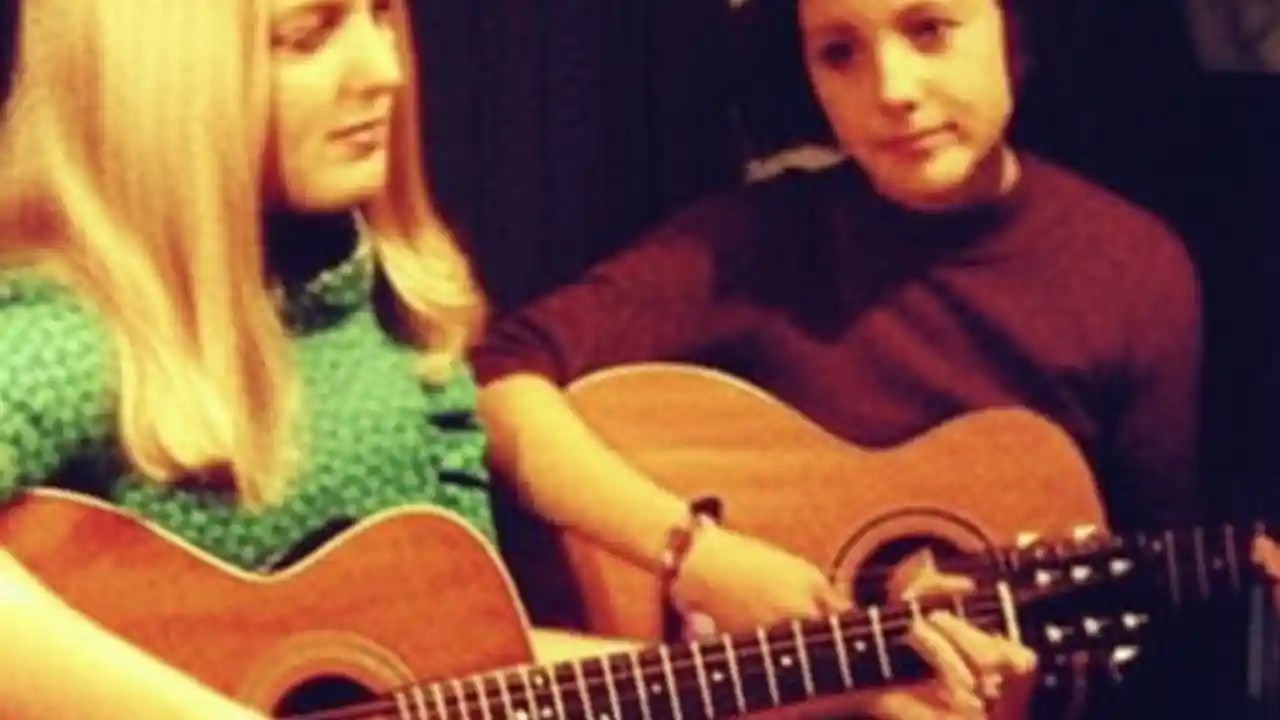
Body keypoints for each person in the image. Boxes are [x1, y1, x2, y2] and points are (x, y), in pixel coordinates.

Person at [474, 0, 1212, 716]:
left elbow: (1152, 616)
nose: (891, 91)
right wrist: (697, 557)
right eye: (839, 51)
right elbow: (502, 375)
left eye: (930, 30)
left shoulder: (1132, 272)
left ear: (1014, 29)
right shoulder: (764, 239)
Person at [0, 0, 631, 716]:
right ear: (165, 87)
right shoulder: (74, 343)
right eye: (307, 37)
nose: (385, 72)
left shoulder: (396, 330)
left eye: (382, 16)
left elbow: (467, 671)